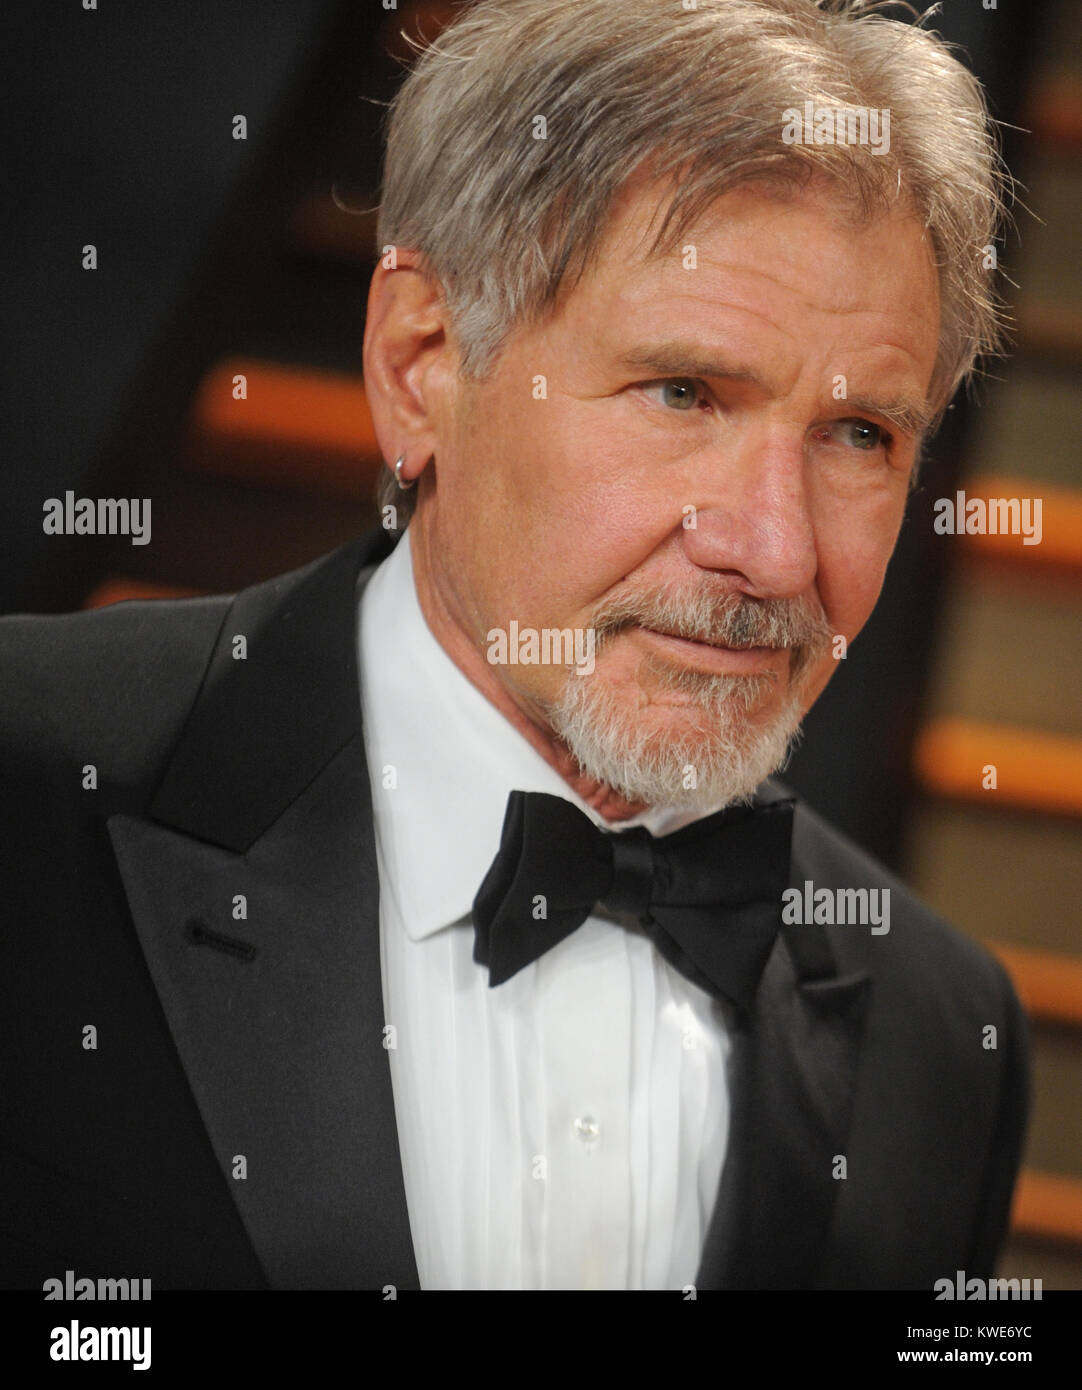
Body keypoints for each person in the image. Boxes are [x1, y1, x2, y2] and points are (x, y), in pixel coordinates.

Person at [0, 0, 1027, 1292]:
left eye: (860, 434)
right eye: (681, 393)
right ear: (420, 361)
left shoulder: (944, 1032)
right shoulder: (27, 790)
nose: (774, 551)